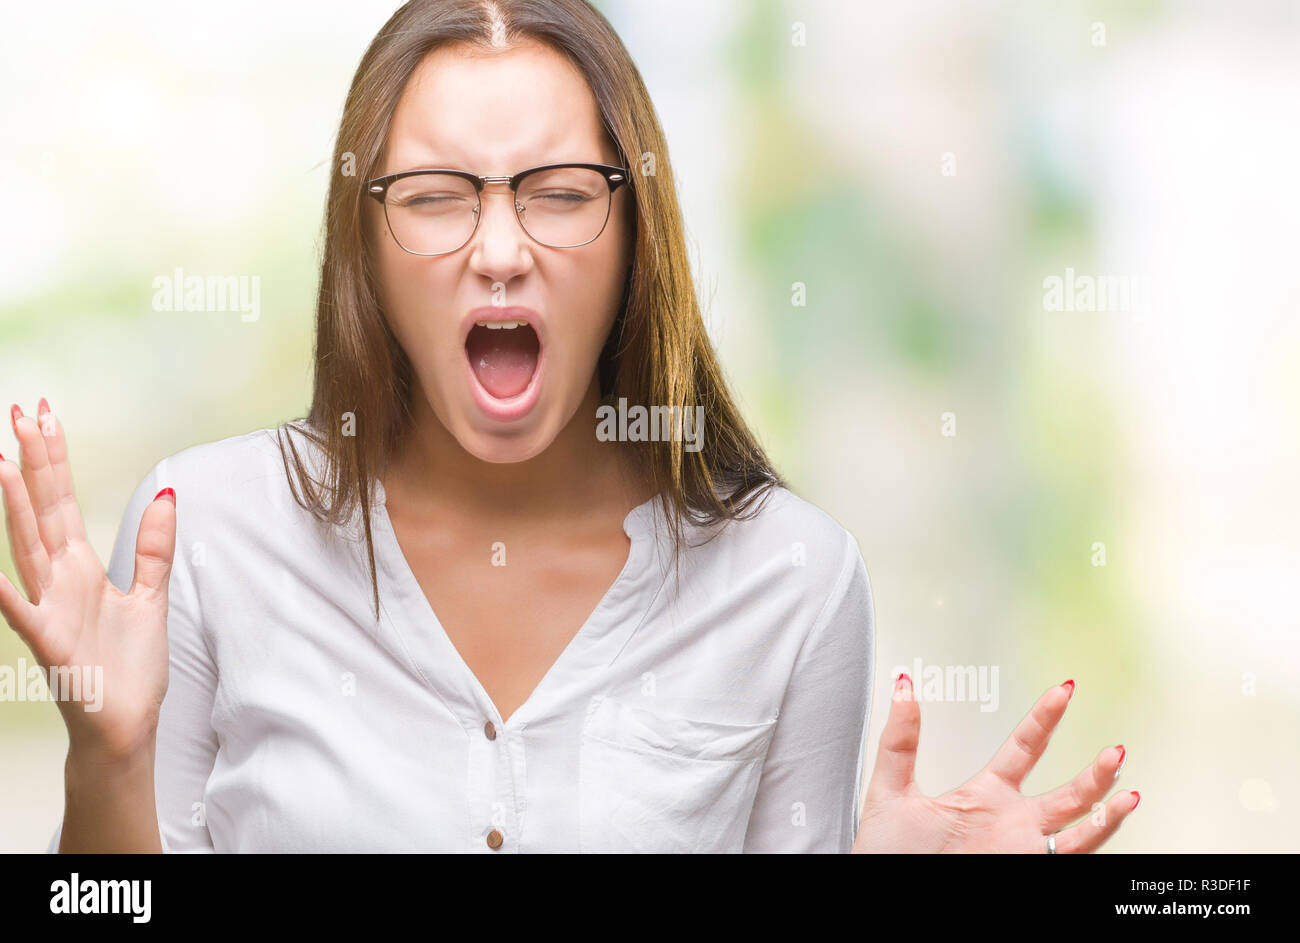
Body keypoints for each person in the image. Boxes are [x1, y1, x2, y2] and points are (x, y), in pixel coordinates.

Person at [1, 0, 1137, 853]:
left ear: (635, 232)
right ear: (366, 244)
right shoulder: (200, 534)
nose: (501, 250)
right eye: (439, 194)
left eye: (557, 192)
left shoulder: (792, 580)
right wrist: (107, 759)